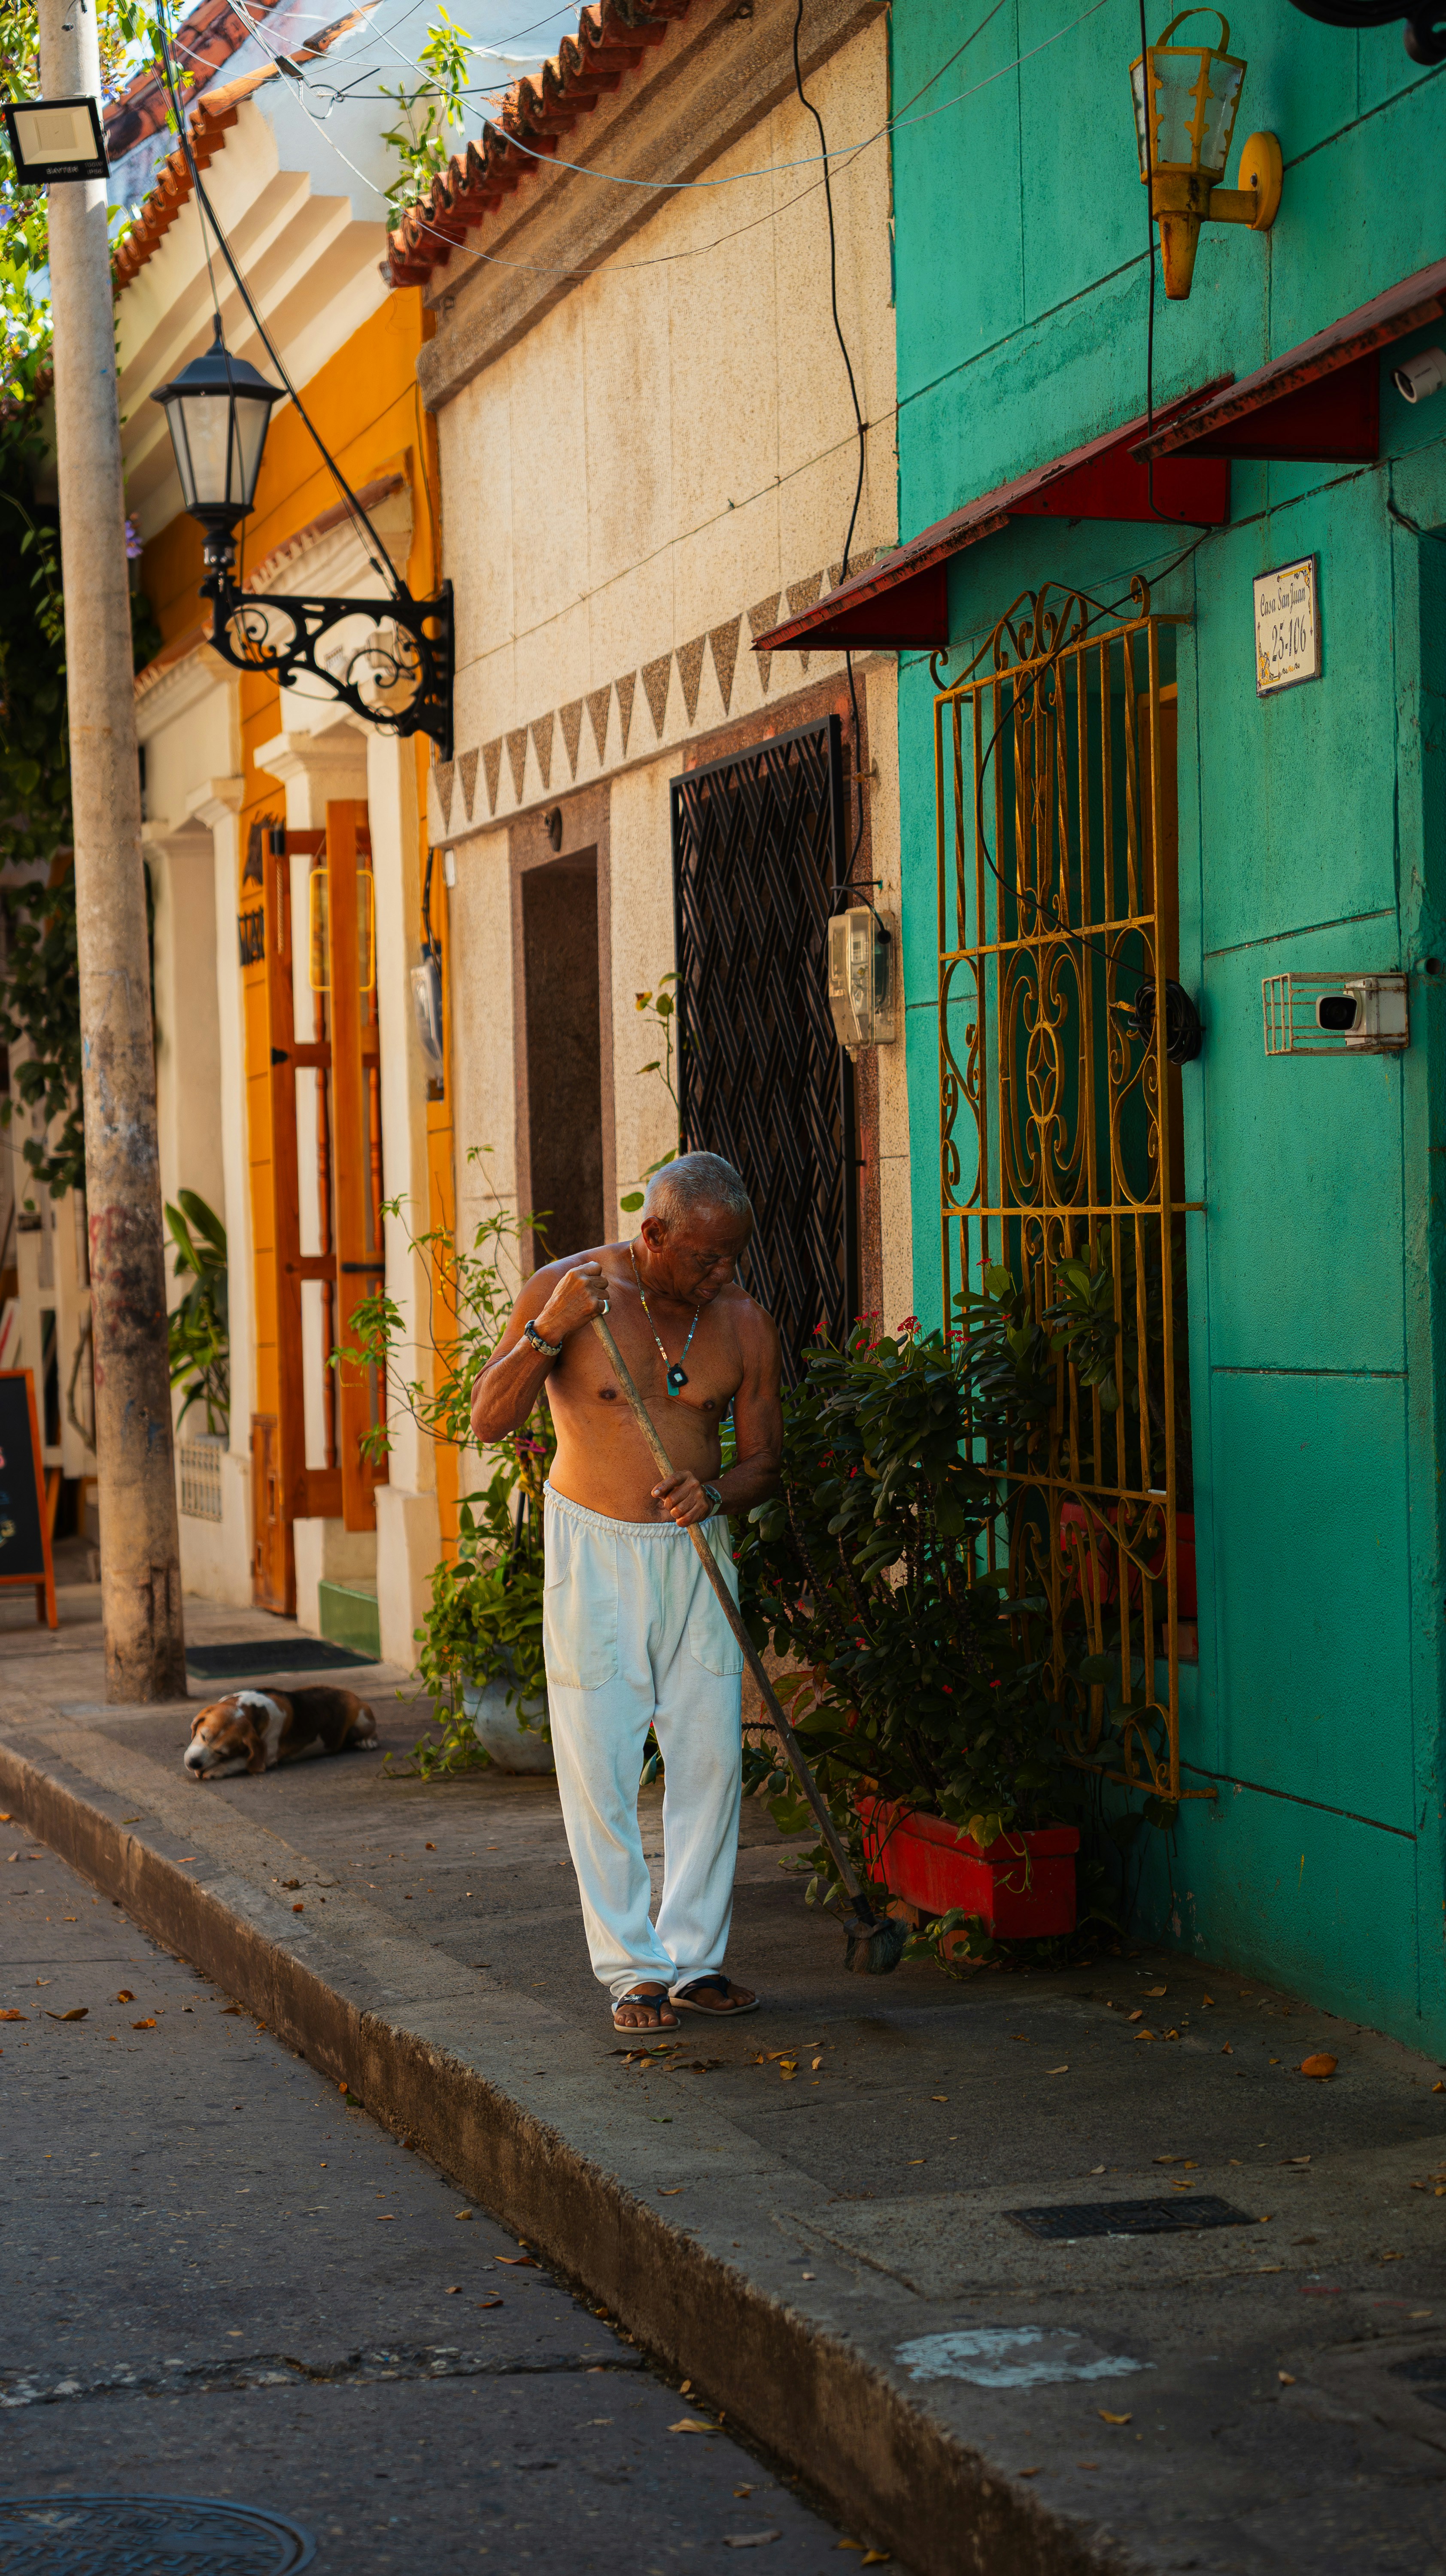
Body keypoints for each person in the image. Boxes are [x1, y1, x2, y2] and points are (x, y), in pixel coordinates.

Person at [471, 1152, 782, 2033]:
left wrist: (715, 1493)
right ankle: (633, 1972)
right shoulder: (569, 1290)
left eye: (733, 1256)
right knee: (601, 1762)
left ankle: (695, 1961)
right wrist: (547, 1333)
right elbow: (488, 1418)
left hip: (696, 1550)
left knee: (709, 1760)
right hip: (595, 1549)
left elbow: (767, 1461)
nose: (723, 1273)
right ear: (652, 1234)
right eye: (706, 1257)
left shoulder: (744, 1322)